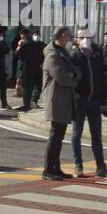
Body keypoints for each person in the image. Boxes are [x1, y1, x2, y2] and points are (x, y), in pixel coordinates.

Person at [69, 30, 107, 178]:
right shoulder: (74, 57)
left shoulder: (97, 57)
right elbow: (70, 78)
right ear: (76, 40)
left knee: (96, 136)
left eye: (88, 38)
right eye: (82, 37)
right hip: (80, 100)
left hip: (95, 102)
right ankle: (78, 165)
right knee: (76, 133)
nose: (85, 40)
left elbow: (103, 79)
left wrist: (104, 101)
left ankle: (101, 167)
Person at [40, 27, 78, 180]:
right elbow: (61, 76)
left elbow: (76, 71)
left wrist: (73, 74)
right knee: (55, 135)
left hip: (63, 99)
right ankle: (48, 169)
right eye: (69, 35)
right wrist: (73, 76)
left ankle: (56, 167)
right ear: (62, 36)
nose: (70, 39)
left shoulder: (63, 53)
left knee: (59, 135)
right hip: (56, 100)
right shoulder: (52, 55)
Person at [17, 28, 45, 111]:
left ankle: (32, 102)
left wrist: (43, 63)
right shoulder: (26, 45)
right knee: (28, 88)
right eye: (35, 35)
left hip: (37, 68)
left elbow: (47, 54)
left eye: (38, 35)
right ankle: (27, 104)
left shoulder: (42, 45)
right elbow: (19, 56)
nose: (36, 36)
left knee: (37, 86)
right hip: (28, 69)